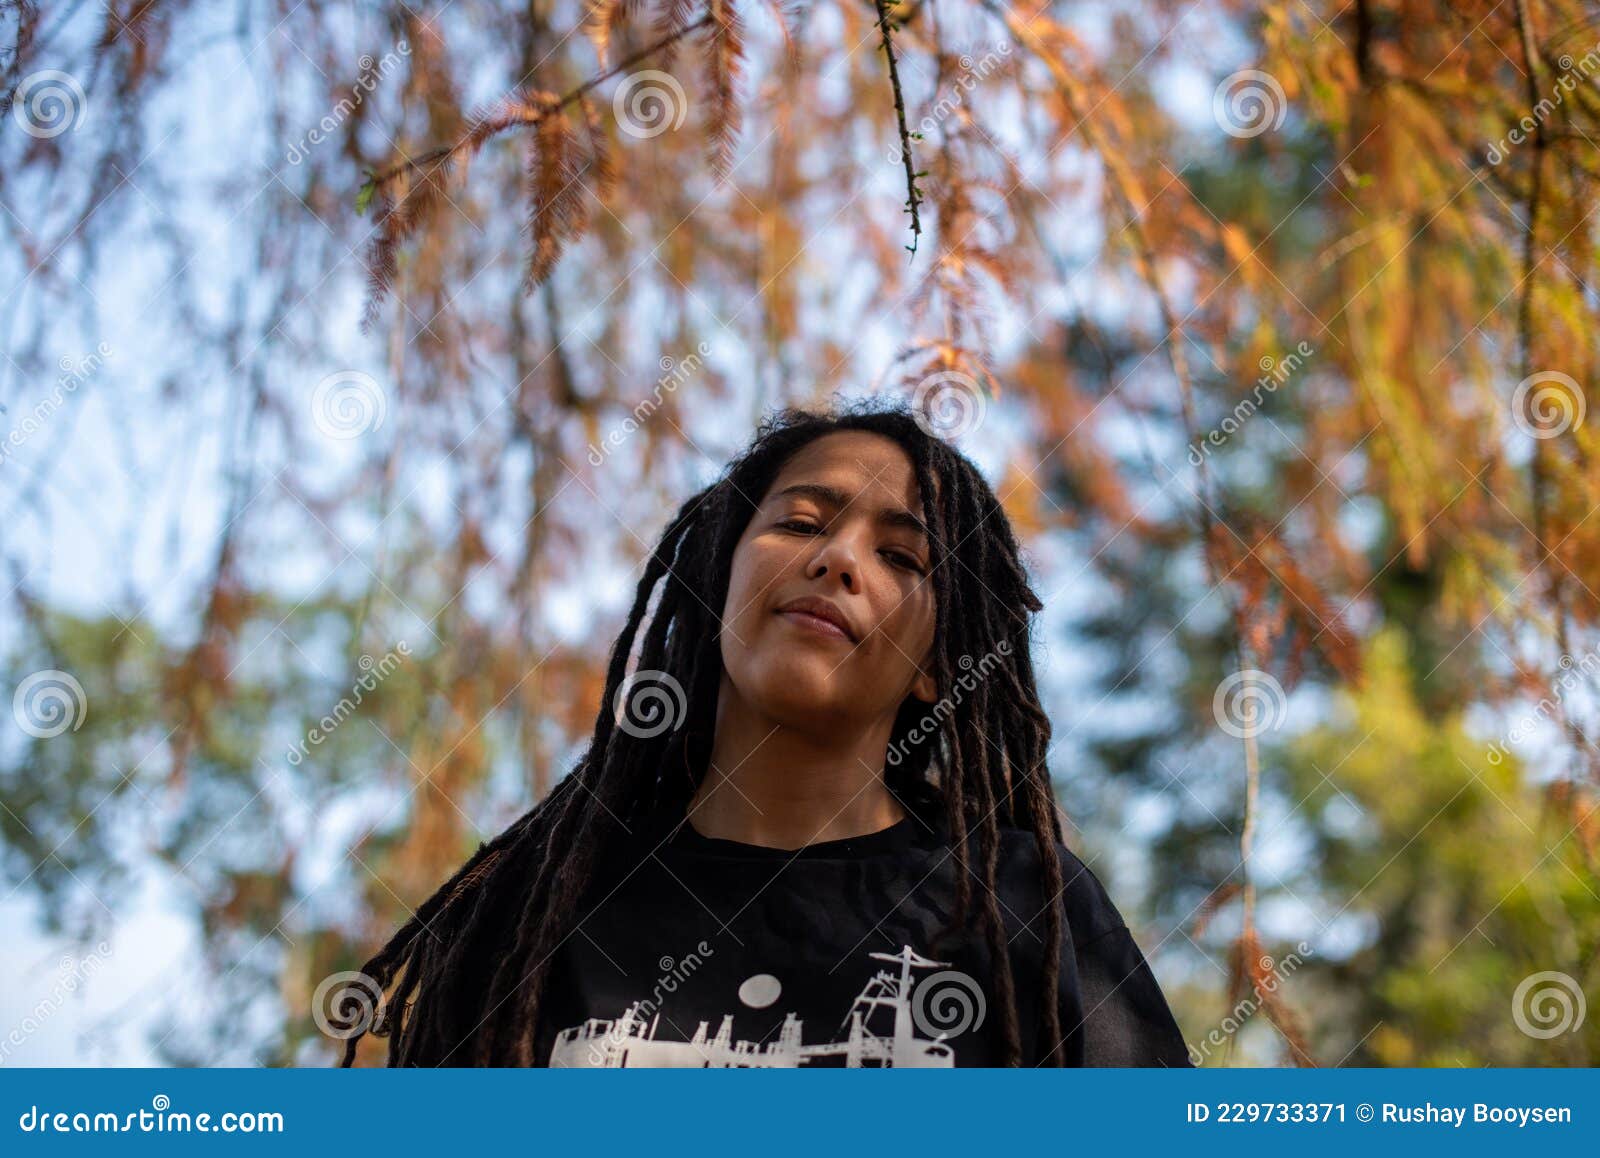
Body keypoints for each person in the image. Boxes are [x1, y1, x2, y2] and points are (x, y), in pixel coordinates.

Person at [338, 401, 1192, 1068]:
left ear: (937, 665)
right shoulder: (536, 910)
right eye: (801, 523)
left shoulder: (1023, 905)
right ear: (717, 582)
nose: (840, 561)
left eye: (902, 557)